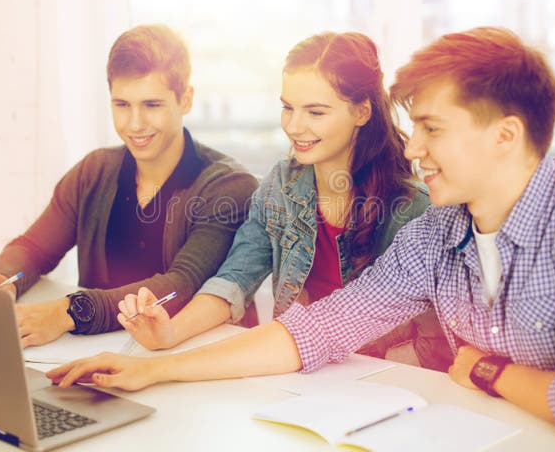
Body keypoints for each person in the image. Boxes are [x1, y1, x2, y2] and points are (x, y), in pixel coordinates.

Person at [46, 27, 555, 445]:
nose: (415, 147)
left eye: (432, 128)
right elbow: (315, 330)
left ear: (505, 135)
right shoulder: (440, 231)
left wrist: (484, 370)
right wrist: (160, 371)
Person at [114, 31, 450, 369]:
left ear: (362, 112)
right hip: (294, 369)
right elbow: (235, 278)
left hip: (379, 382)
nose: (294, 126)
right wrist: (170, 333)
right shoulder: (281, 184)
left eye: (315, 112)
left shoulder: (413, 208)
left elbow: (436, 344)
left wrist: (366, 370)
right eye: (288, 108)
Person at [0, 24, 258, 347]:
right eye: (122, 105)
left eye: (152, 105)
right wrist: (7, 280)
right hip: (93, 351)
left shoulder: (228, 187)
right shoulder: (94, 172)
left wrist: (70, 312)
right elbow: (34, 250)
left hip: (191, 363)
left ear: (186, 100)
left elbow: (181, 285)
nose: (135, 124)